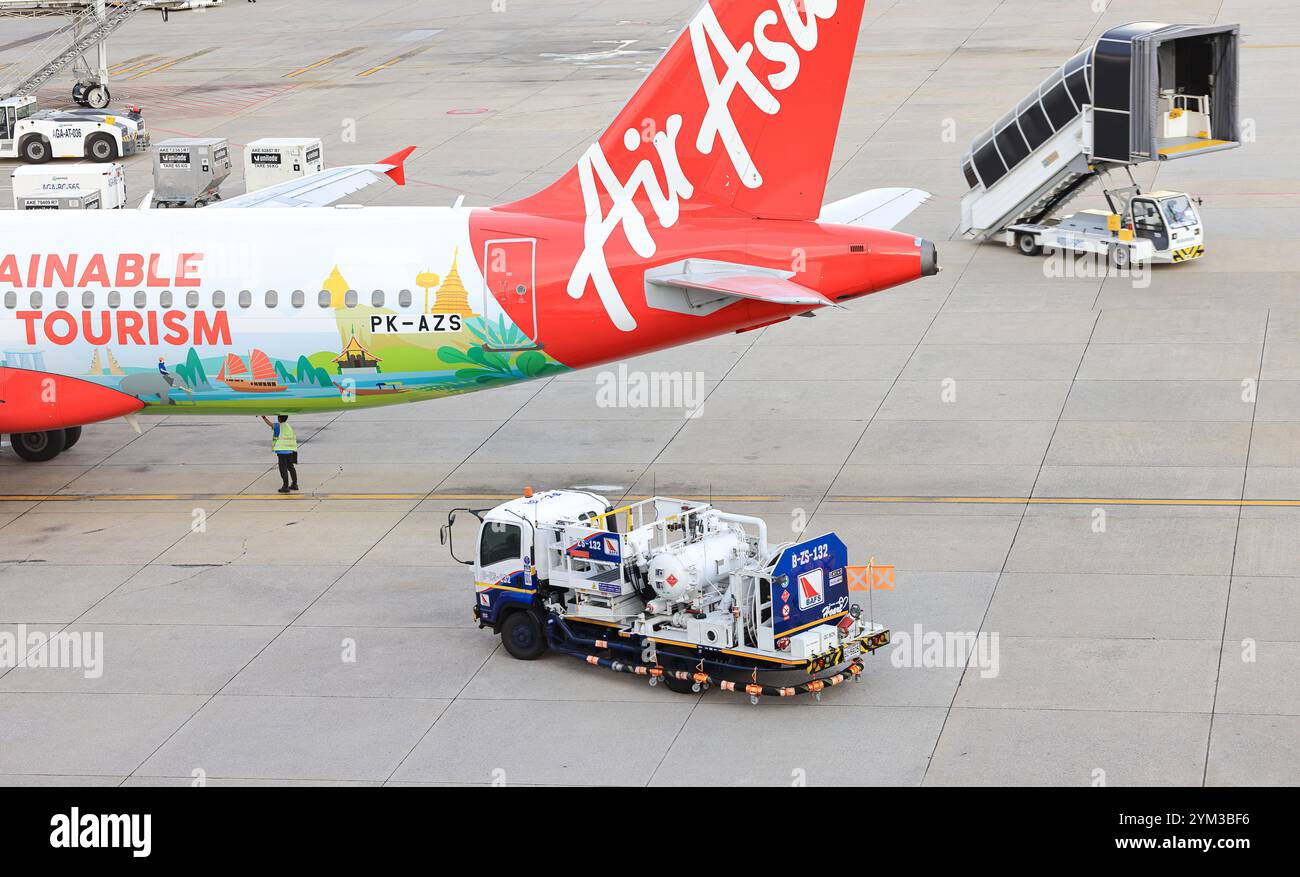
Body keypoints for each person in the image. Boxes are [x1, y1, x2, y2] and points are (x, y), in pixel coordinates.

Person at [260, 414, 298, 493]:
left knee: (283, 469)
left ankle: (285, 486)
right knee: (291, 467)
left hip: (282, 451)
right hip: (291, 450)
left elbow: (270, 424)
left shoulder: (278, 426)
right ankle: (294, 484)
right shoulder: (288, 426)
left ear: (279, 418)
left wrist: (264, 417)